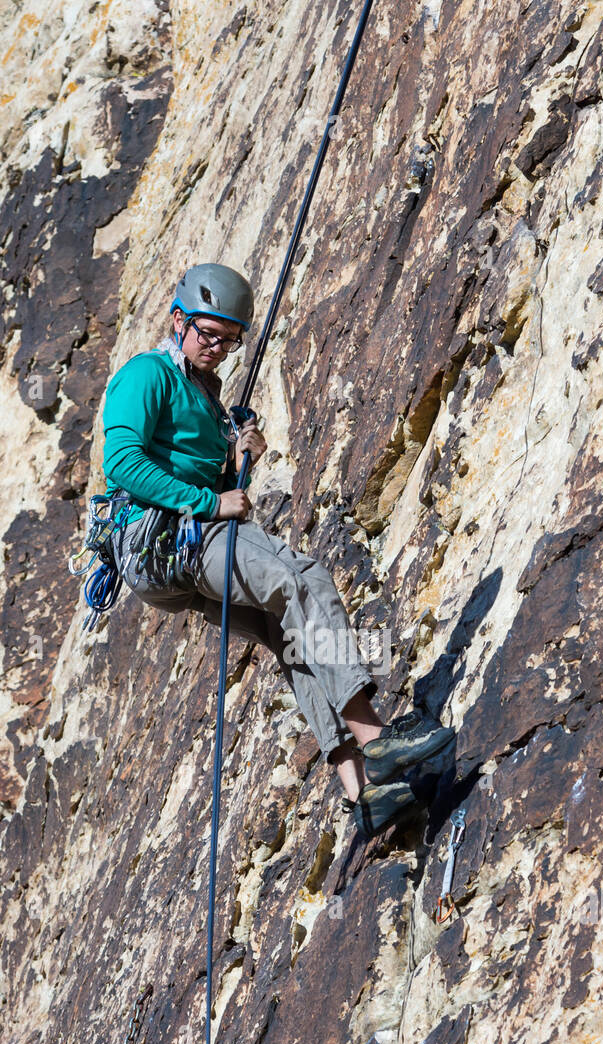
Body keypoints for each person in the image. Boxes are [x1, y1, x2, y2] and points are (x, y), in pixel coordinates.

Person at [100, 263, 455, 837]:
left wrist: (238, 456)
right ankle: (379, 741)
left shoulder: (205, 397)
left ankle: (364, 792)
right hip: (167, 537)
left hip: (168, 554)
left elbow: (195, 472)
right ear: (178, 320)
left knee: (283, 629)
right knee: (300, 579)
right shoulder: (146, 375)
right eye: (206, 333)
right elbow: (121, 462)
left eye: (228, 338)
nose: (216, 347)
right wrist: (213, 504)